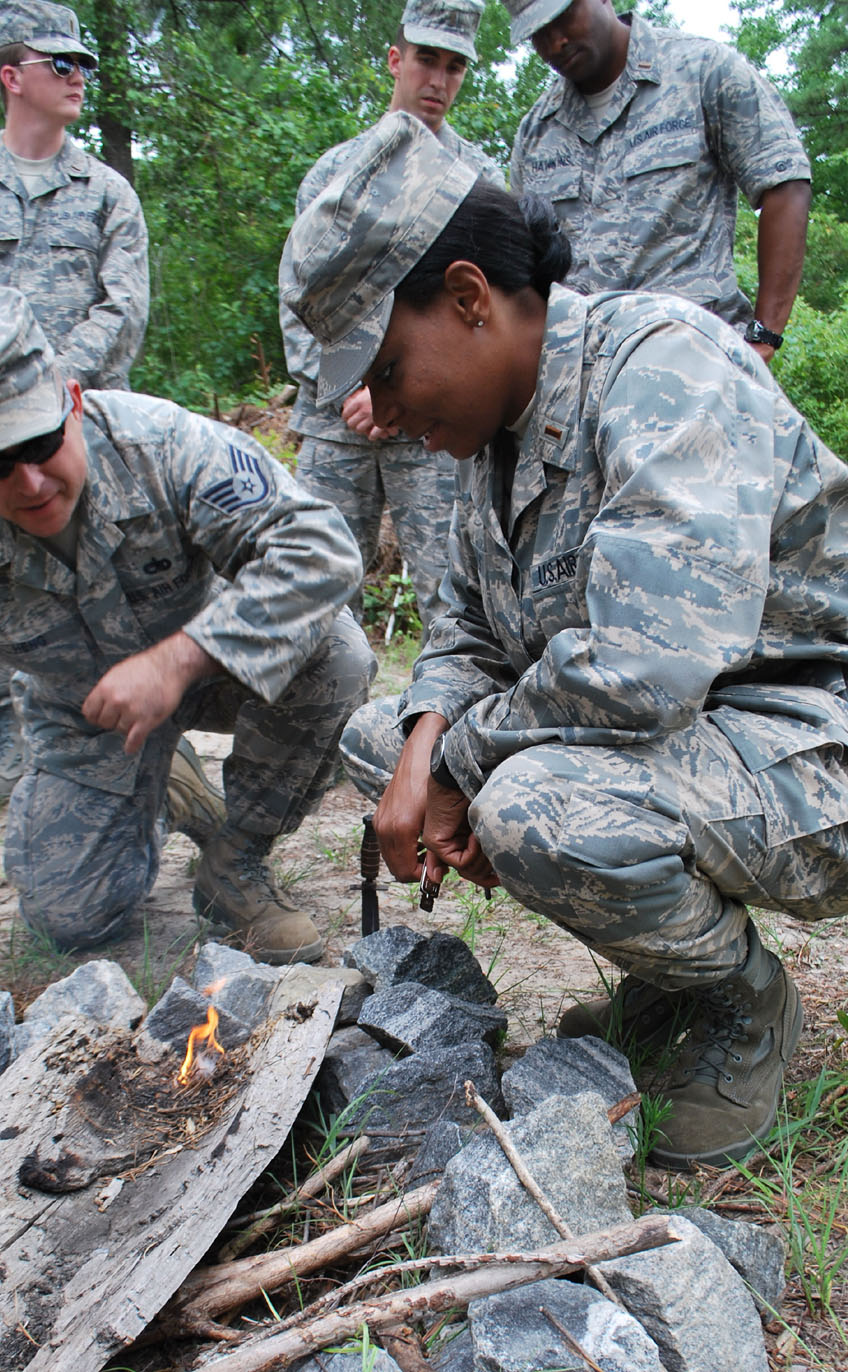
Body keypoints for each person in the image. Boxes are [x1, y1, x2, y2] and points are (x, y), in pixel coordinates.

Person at [280, 112, 848, 1170]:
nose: (380, 413)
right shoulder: (490, 432)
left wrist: (452, 763)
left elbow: (644, 665)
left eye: (391, 374)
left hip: (814, 733)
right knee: (377, 742)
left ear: (467, 298)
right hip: (701, 739)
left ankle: (740, 1008)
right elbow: (462, 623)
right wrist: (421, 749)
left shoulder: (659, 368)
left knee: (536, 807)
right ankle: (669, 978)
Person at [0, 287, 374, 993]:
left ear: (72, 400)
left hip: (216, 665)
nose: (32, 481)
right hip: (89, 716)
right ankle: (171, 780)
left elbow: (321, 550)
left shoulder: (159, 444)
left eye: (41, 444)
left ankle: (236, 863)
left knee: (337, 656)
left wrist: (179, 659)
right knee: (70, 917)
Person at [0, 0, 151, 810]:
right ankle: (15, 742)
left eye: (85, 63)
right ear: (13, 75)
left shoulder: (107, 192)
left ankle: (150, 739)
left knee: (123, 592)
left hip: (82, 431)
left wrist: (45, 392)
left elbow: (124, 308)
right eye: (62, 64)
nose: (80, 76)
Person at [279, 0, 503, 635]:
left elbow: (485, 312)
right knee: (317, 603)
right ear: (395, 60)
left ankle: (444, 733)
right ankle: (325, 737)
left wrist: (405, 392)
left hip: (436, 426)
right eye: (427, 59)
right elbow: (300, 296)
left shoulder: (478, 181)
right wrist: (354, 388)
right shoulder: (335, 174)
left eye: (455, 66)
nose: (438, 80)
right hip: (335, 421)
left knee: (455, 600)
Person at [505, 0, 812, 364]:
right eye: (538, 33)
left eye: (564, 17)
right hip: (581, 383)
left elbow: (785, 184)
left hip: (697, 370)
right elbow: (523, 264)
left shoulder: (703, 71)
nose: (555, 42)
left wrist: (764, 337)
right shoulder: (536, 132)